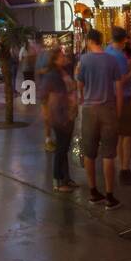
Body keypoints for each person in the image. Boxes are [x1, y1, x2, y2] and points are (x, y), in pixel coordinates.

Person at [74, 29, 124, 210]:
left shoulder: (84, 60)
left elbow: (79, 84)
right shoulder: (111, 60)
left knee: (90, 153)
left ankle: (94, 192)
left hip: (89, 109)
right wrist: (117, 112)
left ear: (89, 41)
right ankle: (110, 195)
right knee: (109, 154)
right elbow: (118, 88)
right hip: (108, 108)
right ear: (101, 40)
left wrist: (82, 96)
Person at [105, 27, 131, 185]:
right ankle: (125, 170)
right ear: (124, 40)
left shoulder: (107, 51)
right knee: (127, 135)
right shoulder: (119, 57)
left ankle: (122, 168)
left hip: (110, 98)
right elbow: (121, 81)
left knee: (120, 135)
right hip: (123, 99)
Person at [38, 47, 77, 192]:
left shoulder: (63, 71)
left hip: (68, 114)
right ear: (55, 59)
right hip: (60, 116)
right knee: (61, 148)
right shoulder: (52, 75)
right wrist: (47, 113)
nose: (64, 57)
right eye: (61, 56)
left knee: (64, 147)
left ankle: (65, 178)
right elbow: (44, 96)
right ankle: (58, 180)